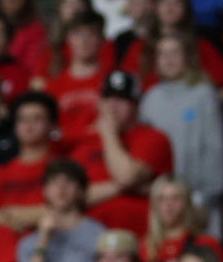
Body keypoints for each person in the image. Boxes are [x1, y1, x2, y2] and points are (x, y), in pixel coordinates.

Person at [137, 31, 223, 231]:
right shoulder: (150, 99)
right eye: (163, 54)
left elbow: (214, 146)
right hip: (162, 200)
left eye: (175, 53)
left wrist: (207, 195)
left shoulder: (203, 93)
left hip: (199, 197)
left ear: (187, 57)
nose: (169, 59)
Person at [71, 71, 174, 238]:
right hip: (92, 239)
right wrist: (126, 188)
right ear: (100, 102)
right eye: (108, 98)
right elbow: (73, 198)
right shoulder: (84, 145)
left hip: (143, 236)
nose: (113, 106)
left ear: (136, 104)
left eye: (121, 99)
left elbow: (126, 176)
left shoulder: (154, 137)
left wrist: (108, 133)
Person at [120, 0, 223, 93]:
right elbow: (124, 87)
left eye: (177, 1)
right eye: (164, 1)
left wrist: (206, 102)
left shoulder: (202, 47)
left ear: (186, 8)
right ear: (155, 6)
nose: (170, 6)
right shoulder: (138, 47)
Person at [136, 176, 223, 262]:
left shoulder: (205, 243)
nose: (168, 205)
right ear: (154, 205)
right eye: (161, 199)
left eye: (176, 198)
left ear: (187, 203)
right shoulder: (142, 246)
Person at [0, 90, 57, 232]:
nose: (28, 125)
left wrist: (14, 214)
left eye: (37, 119)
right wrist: (38, 214)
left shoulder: (61, 168)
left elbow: (61, 213)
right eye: (22, 119)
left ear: (51, 125)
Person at [45, 11, 111, 151]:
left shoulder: (110, 83)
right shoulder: (53, 86)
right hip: (63, 155)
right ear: (68, 38)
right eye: (77, 33)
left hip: (100, 154)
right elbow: (49, 131)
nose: (84, 41)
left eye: (91, 34)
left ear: (101, 39)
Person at [30, 0, 115, 90]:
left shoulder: (104, 46)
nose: (74, 7)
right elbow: (37, 85)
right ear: (59, 9)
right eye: (67, 3)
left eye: (79, 1)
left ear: (88, 5)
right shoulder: (49, 52)